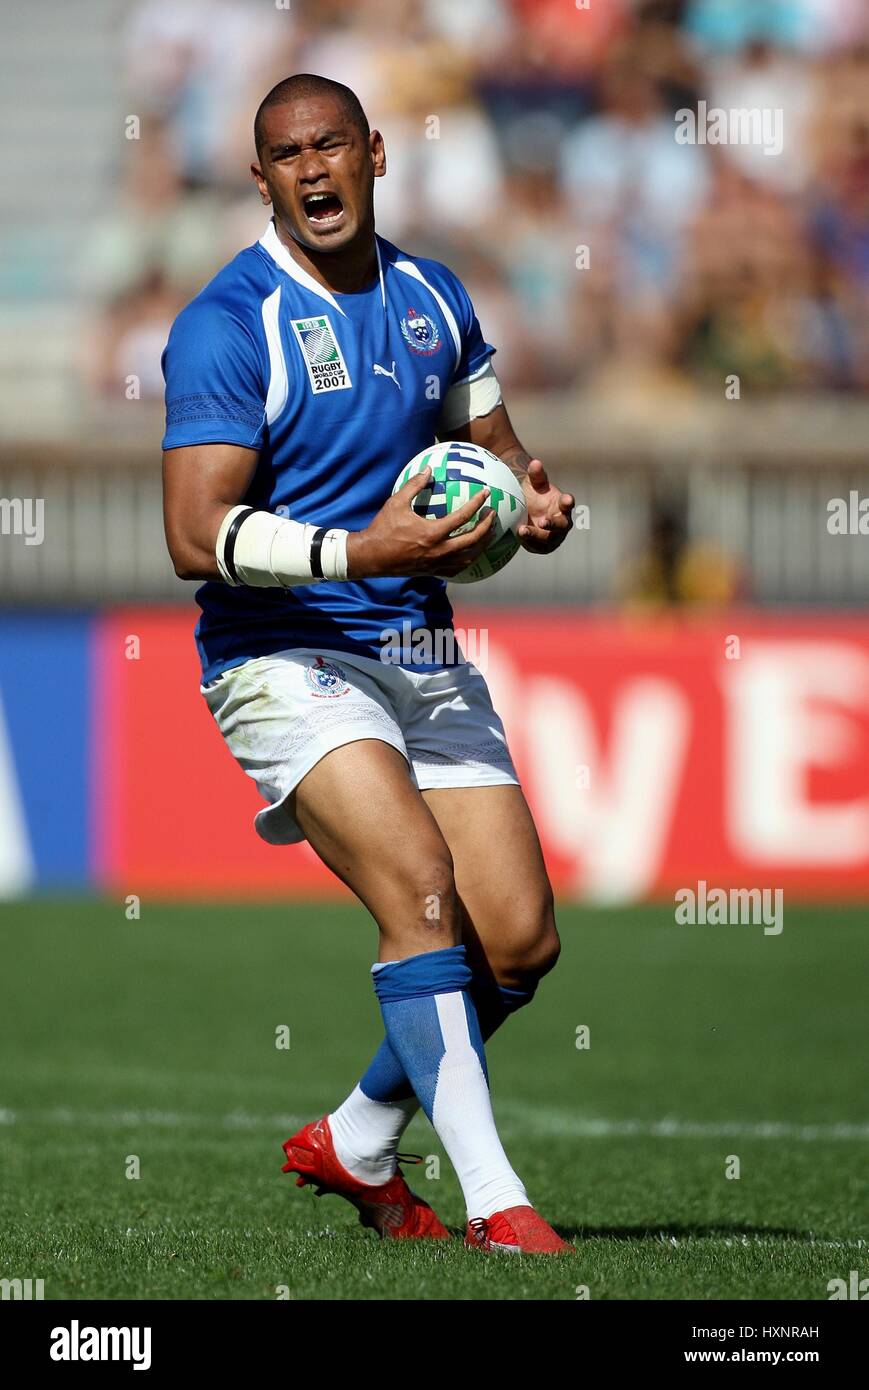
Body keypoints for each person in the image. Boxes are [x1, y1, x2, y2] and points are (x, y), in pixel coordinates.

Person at [161, 73, 575, 1254]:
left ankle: (354, 1136)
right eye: (285, 155)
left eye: (329, 145)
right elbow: (196, 534)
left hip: (414, 637)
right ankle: (500, 1205)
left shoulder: (435, 297)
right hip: (281, 648)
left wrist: (530, 501)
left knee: (518, 940)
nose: (311, 170)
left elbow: (491, 446)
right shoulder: (227, 322)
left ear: (374, 154)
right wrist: (360, 545)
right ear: (262, 181)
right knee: (418, 893)